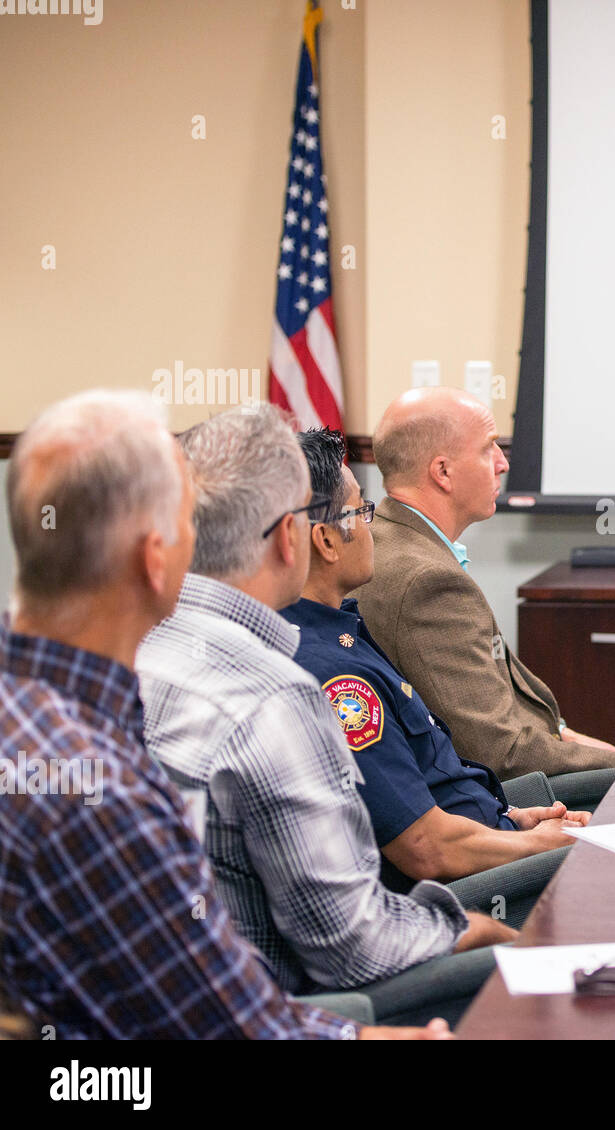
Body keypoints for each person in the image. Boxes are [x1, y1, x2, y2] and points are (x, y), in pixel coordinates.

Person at [0, 391, 444, 1038]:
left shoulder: (55, 721)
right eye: (190, 528)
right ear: (156, 561)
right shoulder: (99, 790)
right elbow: (234, 1024)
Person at [135, 404, 514, 1000]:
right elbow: (352, 947)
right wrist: (483, 932)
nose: (368, 525)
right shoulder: (273, 696)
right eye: (360, 510)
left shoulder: (145, 648)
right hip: (296, 1010)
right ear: (296, 539)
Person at [282, 427, 587, 899]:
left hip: (488, 835)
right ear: (325, 541)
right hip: (467, 892)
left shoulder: (339, 629)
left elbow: (435, 788)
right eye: (362, 510)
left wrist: (512, 819)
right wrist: (532, 844)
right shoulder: (334, 675)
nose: (372, 528)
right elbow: (425, 848)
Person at [355, 387, 615, 778]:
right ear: (443, 472)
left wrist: (613, 755)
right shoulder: (426, 581)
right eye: (489, 449)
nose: (503, 463)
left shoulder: (392, 540)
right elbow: (502, 754)